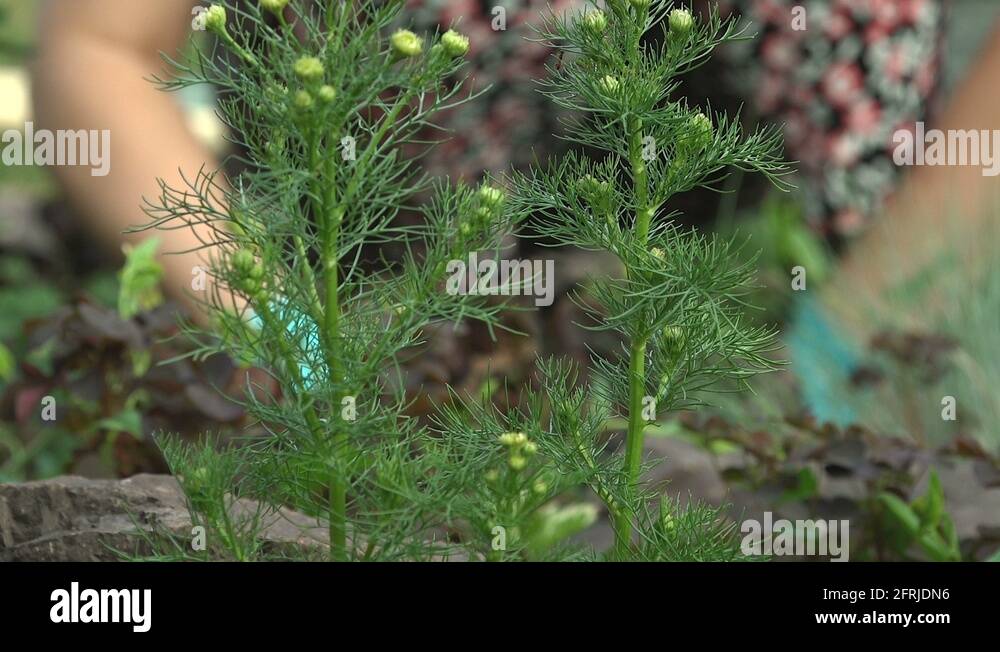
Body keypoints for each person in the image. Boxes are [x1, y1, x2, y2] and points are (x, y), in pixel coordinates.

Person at [33, 0, 1000, 334]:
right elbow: (99, 46)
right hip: (375, 209)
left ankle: (846, 307)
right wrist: (266, 321)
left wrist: (852, 352)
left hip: (693, 185)